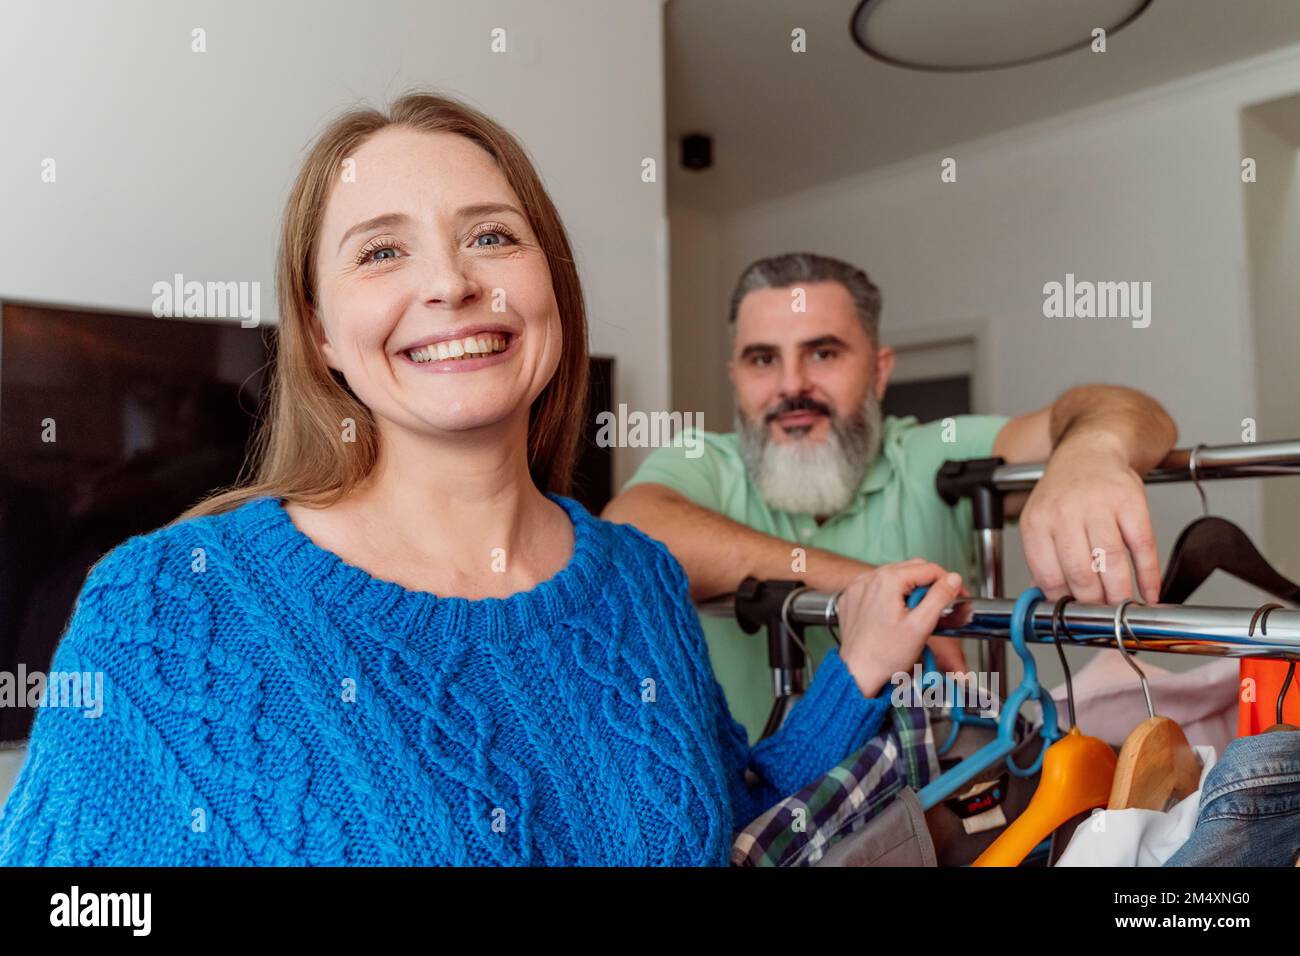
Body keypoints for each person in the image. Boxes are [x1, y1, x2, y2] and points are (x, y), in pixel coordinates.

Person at [0, 93, 967, 867]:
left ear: (552, 284)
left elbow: (729, 821)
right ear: (323, 330)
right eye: (382, 250)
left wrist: (859, 670)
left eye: (493, 236)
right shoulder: (166, 607)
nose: (451, 283)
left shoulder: (639, 579)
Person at [603, 253, 1177, 741]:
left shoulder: (930, 456)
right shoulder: (704, 461)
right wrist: (864, 584)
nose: (791, 385)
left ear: (878, 372)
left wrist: (1087, 452)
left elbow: (1134, 412)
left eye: (823, 353)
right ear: (736, 376)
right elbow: (629, 535)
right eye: (763, 360)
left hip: (930, 818)